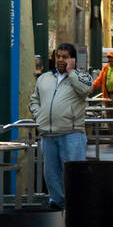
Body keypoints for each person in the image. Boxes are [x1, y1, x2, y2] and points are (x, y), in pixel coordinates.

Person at [29, 43, 93, 210]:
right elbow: (34, 99)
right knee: (51, 175)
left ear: (73, 59)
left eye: (65, 57)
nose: (60, 60)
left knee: (73, 174)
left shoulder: (82, 77)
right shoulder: (44, 78)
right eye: (58, 56)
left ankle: (76, 207)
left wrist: (71, 73)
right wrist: (39, 115)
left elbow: (86, 90)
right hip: (48, 135)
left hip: (72, 134)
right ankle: (57, 204)